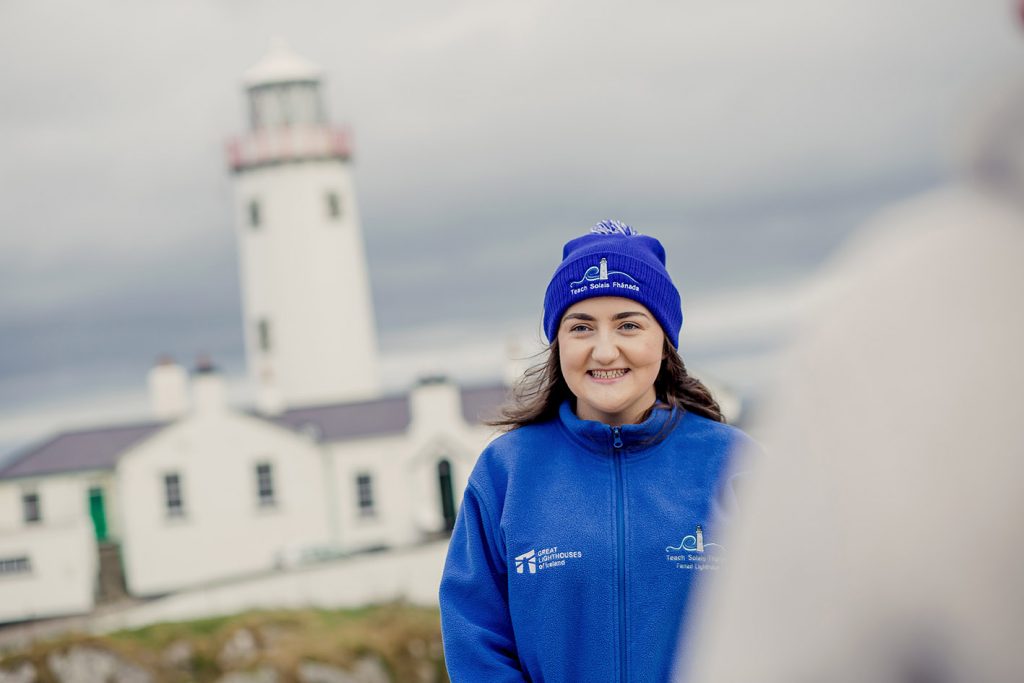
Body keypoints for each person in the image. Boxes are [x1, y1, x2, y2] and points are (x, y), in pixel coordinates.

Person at [439, 220, 756, 682]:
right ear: (558, 344)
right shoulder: (506, 472)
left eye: (628, 325)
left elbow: (794, 619)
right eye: (581, 327)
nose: (604, 351)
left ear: (664, 341)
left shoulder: (737, 465)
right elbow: (475, 639)